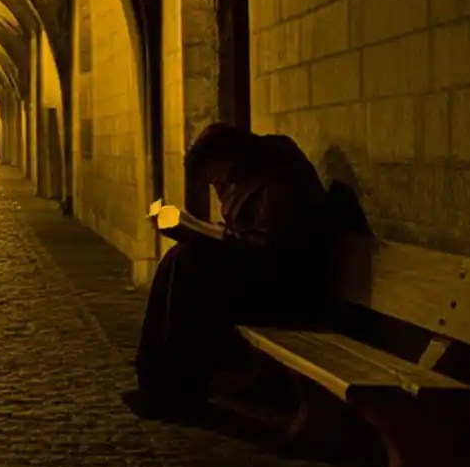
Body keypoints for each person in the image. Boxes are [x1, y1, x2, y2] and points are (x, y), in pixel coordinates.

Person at [125, 122, 335, 421]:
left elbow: (270, 249)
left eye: (214, 174)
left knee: (188, 266)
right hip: (257, 276)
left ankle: (177, 387)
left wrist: (213, 237)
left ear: (229, 160)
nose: (214, 183)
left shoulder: (279, 178)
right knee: (177, 260)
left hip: (284, 288)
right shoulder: (246, 178)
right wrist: (201, 233)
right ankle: (157, 379)